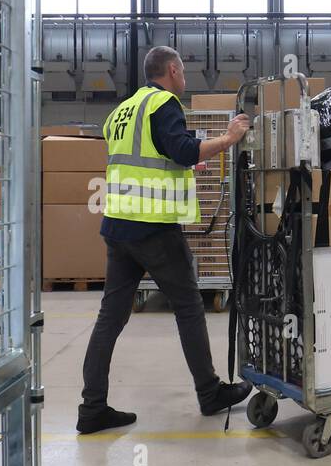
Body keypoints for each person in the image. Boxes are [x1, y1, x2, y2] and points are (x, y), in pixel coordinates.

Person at [78, 45, 253, 434]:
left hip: (118, 226)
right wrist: (228, 138)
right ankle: (209, 393)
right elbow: (183, 149)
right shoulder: (164, 104)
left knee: (110, 317)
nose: (185, 78)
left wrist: (186, 159)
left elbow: (148, 157)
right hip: (153, 228)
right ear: (172, 69)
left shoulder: (121, 111)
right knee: (189, 306)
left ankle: (92, 408)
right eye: (183, 71)